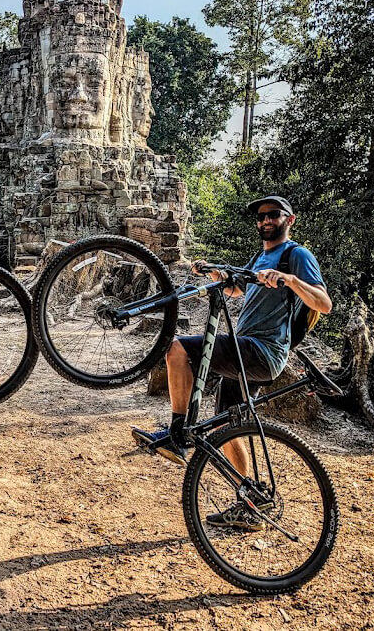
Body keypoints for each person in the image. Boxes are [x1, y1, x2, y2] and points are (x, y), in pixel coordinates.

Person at [131, 196, 332, 529]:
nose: (266, 220)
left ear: (289, 219)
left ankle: (177, 435)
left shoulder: (296, 255)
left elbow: (324, 303)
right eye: (261, 216)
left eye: (273, 215)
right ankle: (252, 501)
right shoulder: (260, 257)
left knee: (178, 350)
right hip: (247, 353)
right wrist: (218, 274)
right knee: (227, 425)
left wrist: (290, 280)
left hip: (262, 351)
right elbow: (237, 291)